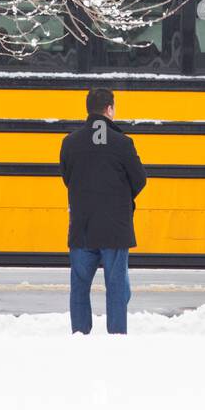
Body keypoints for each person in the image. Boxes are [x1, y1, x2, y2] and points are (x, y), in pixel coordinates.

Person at [59, 87, 147, 335]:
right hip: (115, 228)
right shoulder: (123, 142)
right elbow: (140, 179)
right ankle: (116, 336)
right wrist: (119, 199)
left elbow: (67, 177)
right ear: (109, 109)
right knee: (117, 286)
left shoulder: (70, 142)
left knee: (79, 286)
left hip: (82, 226)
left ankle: (80, 334)